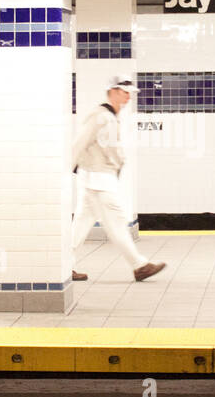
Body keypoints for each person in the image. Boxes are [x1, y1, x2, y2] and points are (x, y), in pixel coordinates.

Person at [70, 74, 165, 282]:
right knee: (116, 223)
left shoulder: (111, 117)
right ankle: (139, 265)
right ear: (113, 92)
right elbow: (79, 143)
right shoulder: (100, 116)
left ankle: (64, 265)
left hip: (98, 178)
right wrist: (66, 170)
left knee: (82, 223)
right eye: (125, 93)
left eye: (129, 94)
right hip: (98, 179)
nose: (128, 98)